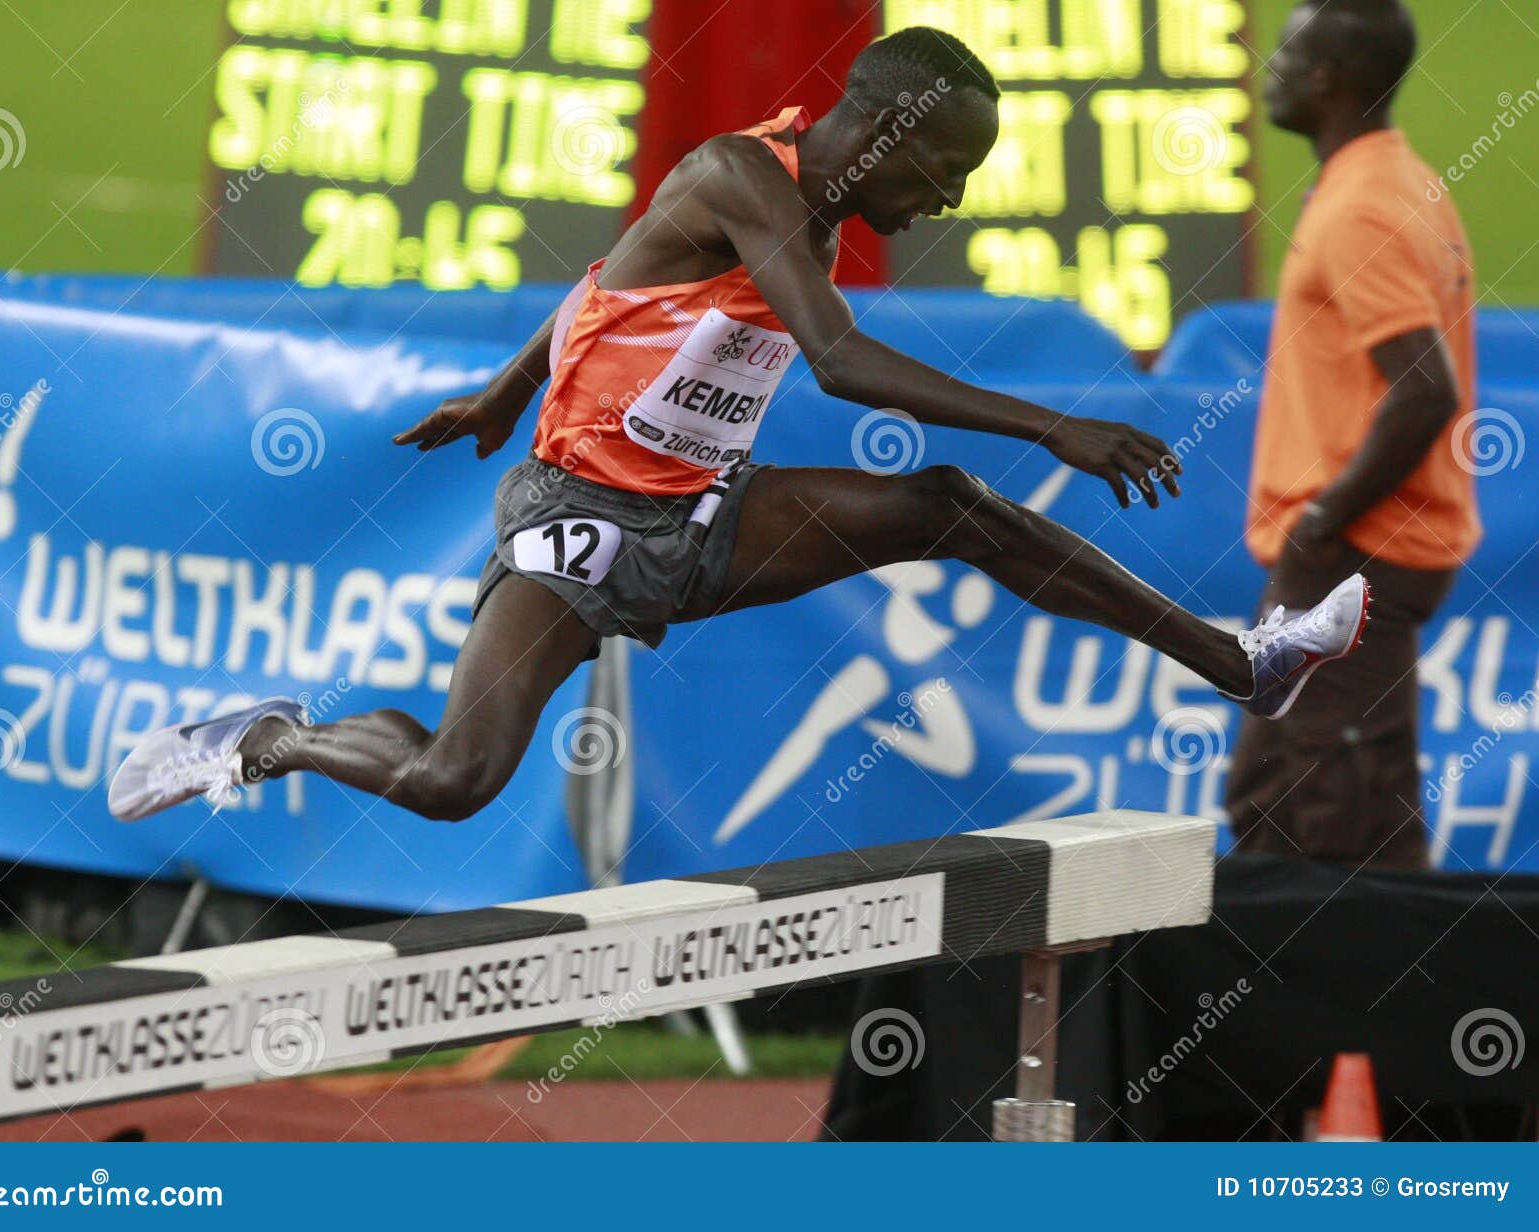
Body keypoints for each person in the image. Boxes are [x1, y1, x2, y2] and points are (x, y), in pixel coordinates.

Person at [109, 27, 1368, 826]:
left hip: (701, 511)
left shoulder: (804, 205)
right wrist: (1051, 425)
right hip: (579, 522)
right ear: (881, 132)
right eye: (942, 165)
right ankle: (264, 736)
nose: (951, 195)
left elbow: (611, 274)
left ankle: (1238, 663)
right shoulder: (736, 174)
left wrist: (504, 382)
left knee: (947, 509)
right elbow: (838, 357)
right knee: (453, 781)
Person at [1227, 0, 1478, 870]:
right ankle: (1268, 997)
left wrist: (1323, 520)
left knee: (1344, 812)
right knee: (1273, 796)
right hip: (1347, 550)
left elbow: (1423, 392)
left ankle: (1379, 1003)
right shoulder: (1394, 182)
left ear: (1329, 77)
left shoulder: (1366, 206)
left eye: (1286, 53)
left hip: (1354, 553)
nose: (1272, 70)